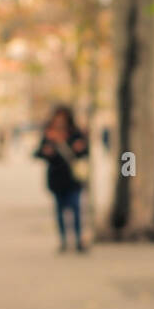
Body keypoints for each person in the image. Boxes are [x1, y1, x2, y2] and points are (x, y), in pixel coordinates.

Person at [34, 105, 90, 252]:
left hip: (73, 178)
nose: (60, 122)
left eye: (63, 118)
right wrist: (48, 152)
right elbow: (38, 153)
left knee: (76, 208)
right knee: (60, 211)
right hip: (56, 178)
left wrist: (80, 148)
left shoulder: (75, 133)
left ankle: (79, 240)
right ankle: (64, 241)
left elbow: (85, 152)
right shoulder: (49, 135)